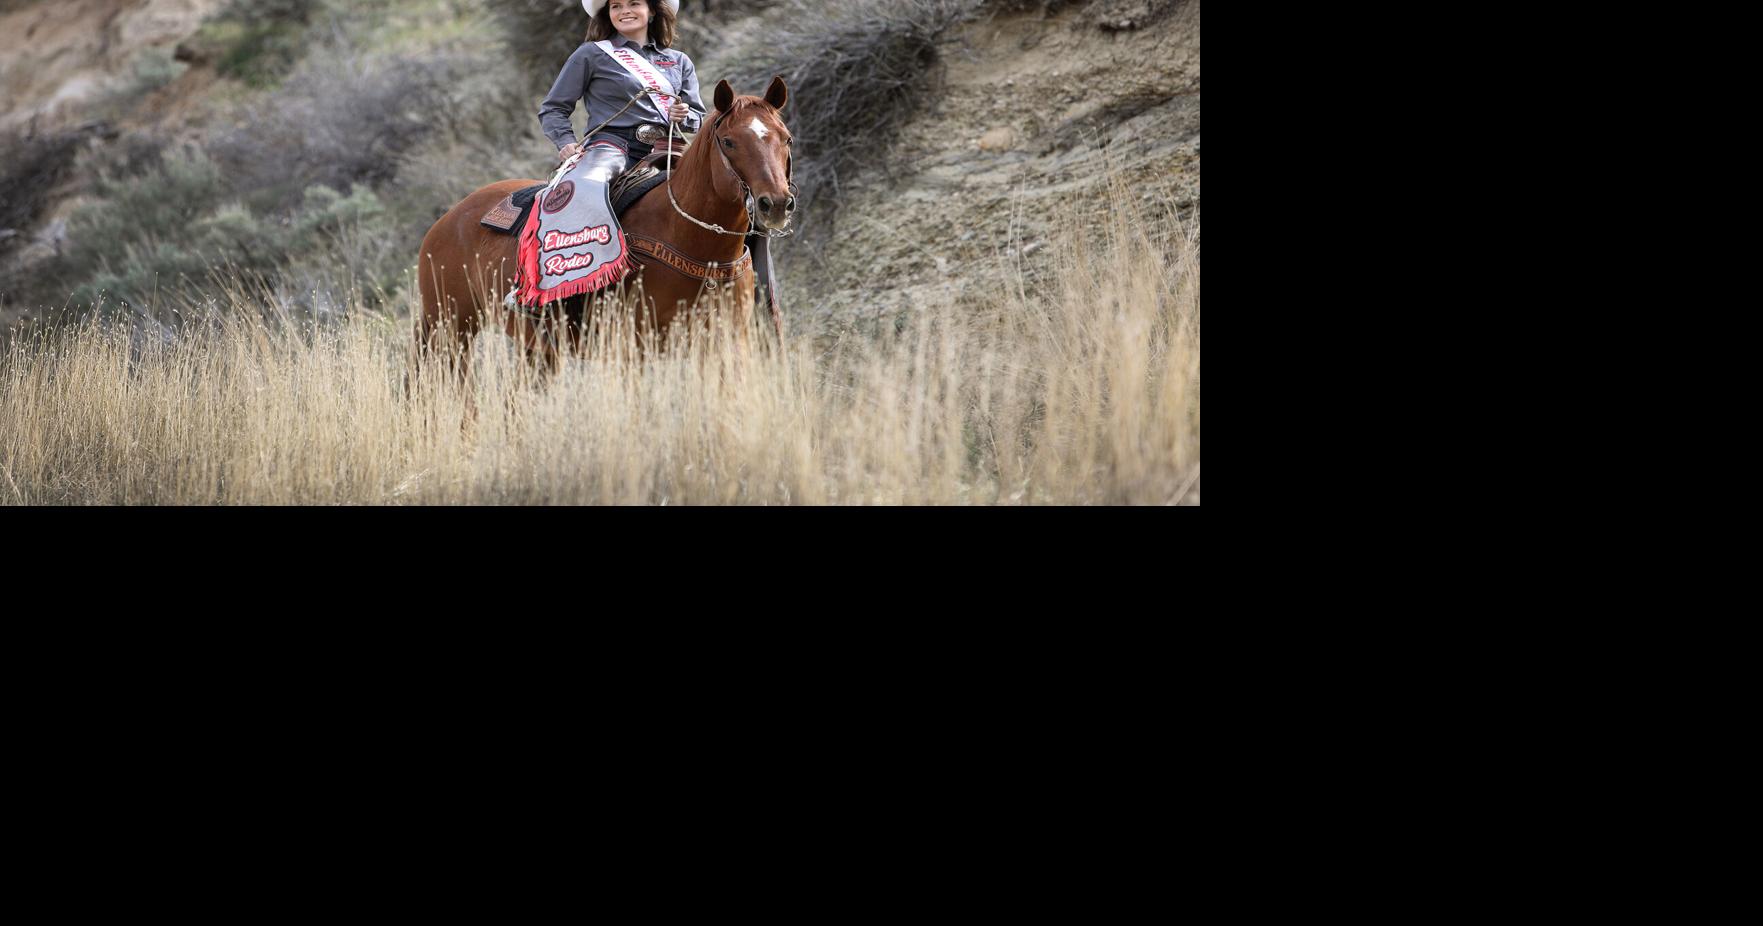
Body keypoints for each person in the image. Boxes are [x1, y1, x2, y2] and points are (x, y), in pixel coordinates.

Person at [538, 0, 707, 174]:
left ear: (652, 11)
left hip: (667, 147)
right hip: (611, 146)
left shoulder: (679, 61)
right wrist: (565, 141)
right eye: (616, 6)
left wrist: (683, 115)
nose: (625, 11)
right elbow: (553, 108)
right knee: (590, 184)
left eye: (634, 3)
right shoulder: (591, 53)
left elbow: (698, 117)